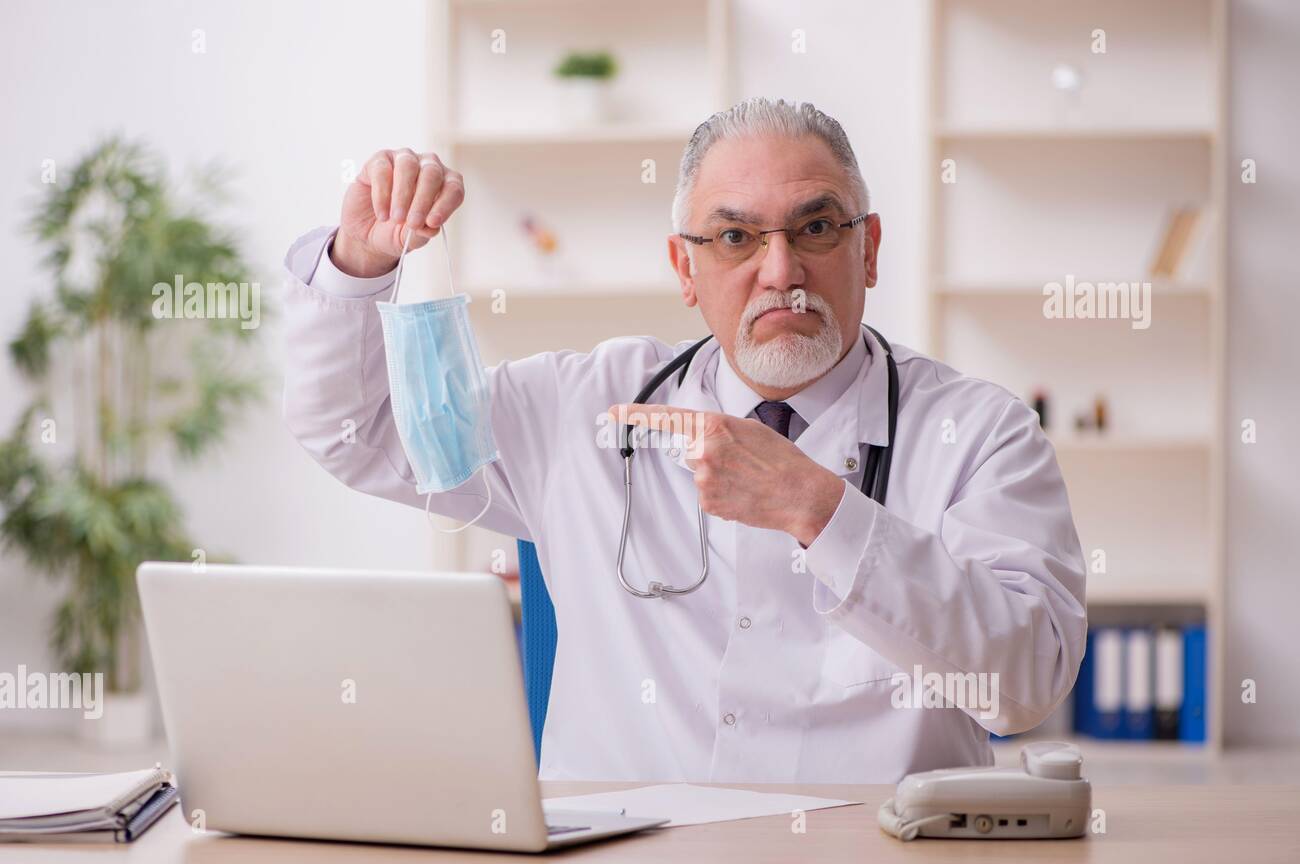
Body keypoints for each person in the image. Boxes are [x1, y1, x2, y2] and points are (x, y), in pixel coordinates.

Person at [281, 97, 1086, 783]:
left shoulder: (978, 431)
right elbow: (355, 434)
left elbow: (1026, 681)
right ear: (683, 267)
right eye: (736, 237)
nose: (780, 270)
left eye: (814, 228)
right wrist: (359, 262)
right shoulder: (583, 406)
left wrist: (822, 510)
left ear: (867, 249)